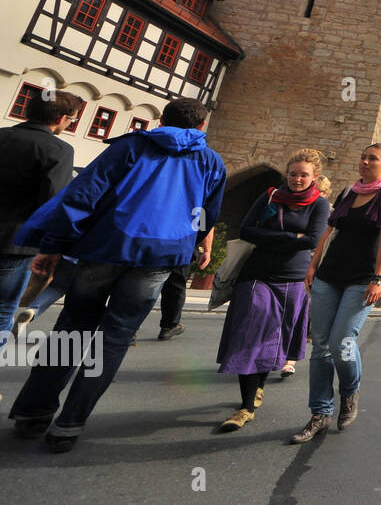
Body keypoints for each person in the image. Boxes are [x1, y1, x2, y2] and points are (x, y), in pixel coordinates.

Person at [8, 97, 225, 451]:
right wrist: (190, 242)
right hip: (159, 256)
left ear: (161, 120)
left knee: (73, 327)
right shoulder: (210, 161)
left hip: (106, 247)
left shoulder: (130, 146)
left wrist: (53, 244)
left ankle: (34, 412)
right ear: (201, 127)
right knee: (114, 338)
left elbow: (84, 194)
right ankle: (69, 424)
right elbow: (206, 214)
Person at [215, 149, 331, 431]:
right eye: (293, 174)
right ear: (286, 174)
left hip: (291, 279)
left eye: (304, 175)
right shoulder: (269, 196)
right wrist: (293, 237)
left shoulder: (320, 205)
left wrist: (273, 238)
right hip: (256, 275)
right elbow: (246, 230)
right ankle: (245, 408)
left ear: (314, 177)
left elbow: (312, 240)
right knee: (249, 331)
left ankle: (259, 386)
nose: (297, 179)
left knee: (273, 339)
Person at [293, 144, 381, 443]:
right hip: (330, 274)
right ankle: (319, 413)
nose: (365, 162)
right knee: (321, 348)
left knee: (342, 341)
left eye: (372, 159)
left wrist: (378, 278)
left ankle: (350, 391)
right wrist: (313, 265)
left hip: (362, 278)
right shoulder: (347, 192)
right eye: (363, 157)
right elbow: (329, 231)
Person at [0, 90, 82, 350]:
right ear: (60, 117)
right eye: (71, 119)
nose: (70, 123)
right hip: (16, 242)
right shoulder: (58, 149)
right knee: (3, 310)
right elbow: (52, 203)